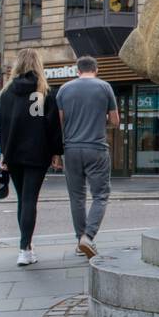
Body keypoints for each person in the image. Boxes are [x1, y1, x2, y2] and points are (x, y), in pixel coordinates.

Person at [0, 50, 63, 266]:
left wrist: (4, 154)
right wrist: (56, 152)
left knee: (21, 199)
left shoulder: (6, 94)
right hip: (37, 153)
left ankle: (26, 246)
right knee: (29, 199)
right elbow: (52, 126)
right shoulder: (43, 92)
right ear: (38, 65)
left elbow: (2, 127)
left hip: (14, 153)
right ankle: (25, 248)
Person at [56, 55, 119, 259]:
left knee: (77, 197)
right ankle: (88, 237)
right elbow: (115, 120)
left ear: (77, 70)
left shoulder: (64, 89)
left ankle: (79, 240)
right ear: (96, 69)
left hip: (71, 149)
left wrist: (57, 152)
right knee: (100, 194)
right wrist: (102, 124)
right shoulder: (104, 87)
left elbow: (60, 123)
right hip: (96, 147)